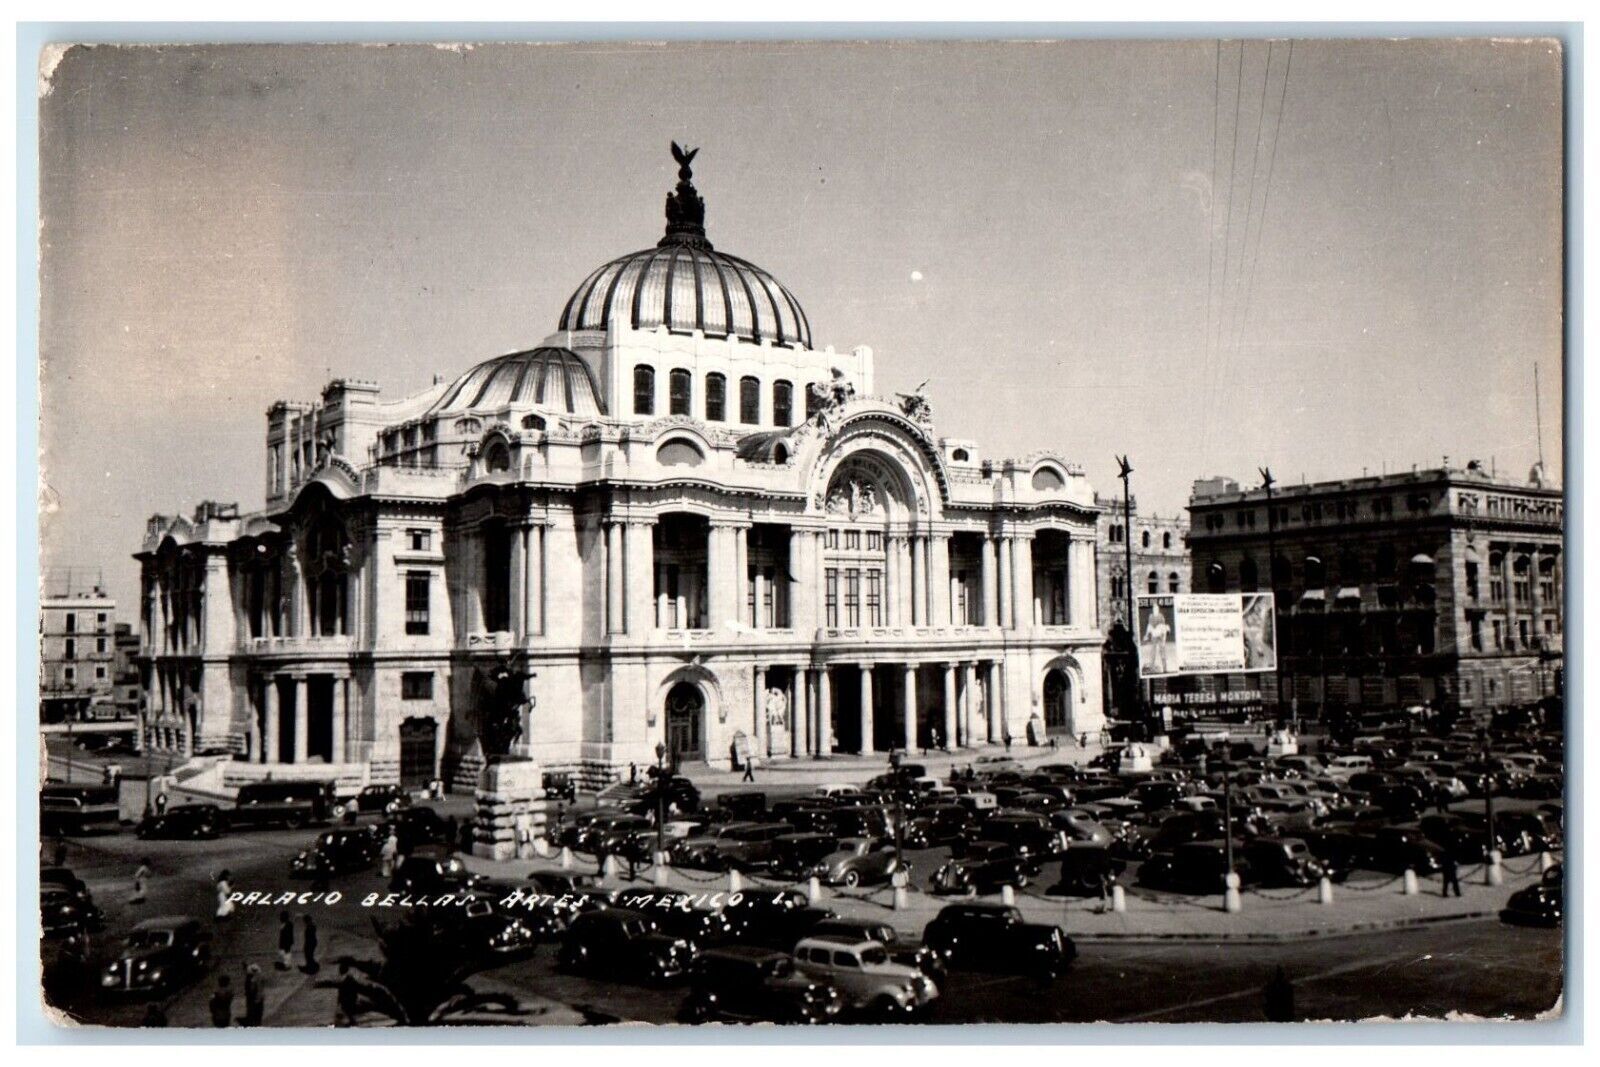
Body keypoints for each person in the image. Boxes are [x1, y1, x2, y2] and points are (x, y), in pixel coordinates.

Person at [337, 961, 361, 1027]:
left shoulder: (349, 980)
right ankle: (352, 1022)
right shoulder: (347, 979)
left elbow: (352, 991)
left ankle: (353, 1022)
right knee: (347, 1011)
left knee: (347, 1010)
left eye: (340, 969)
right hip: (347, 999)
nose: (339, 971)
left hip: (348, 999)